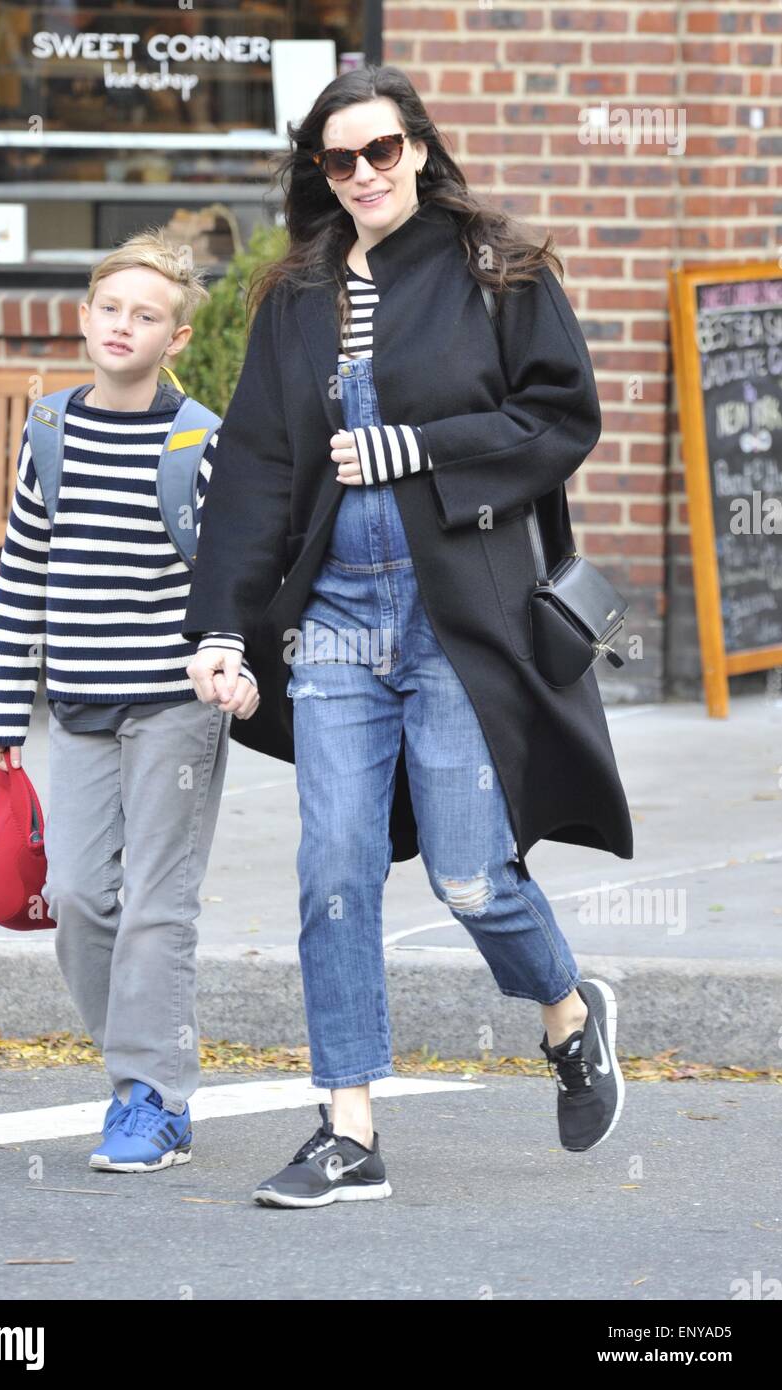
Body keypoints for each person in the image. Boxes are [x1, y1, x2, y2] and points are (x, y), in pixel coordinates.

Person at [184, 64, 634, 1209]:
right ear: (319, 173)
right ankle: (347, 1128)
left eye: (382, 151)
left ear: (419, 148)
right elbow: (253, 470)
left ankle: (569, 1013)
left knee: (472, 874)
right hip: (335, 621)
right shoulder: (295, 295)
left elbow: (557, 414)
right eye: (340, 161)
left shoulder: (498, 269)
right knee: (331, 869)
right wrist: (225, 630)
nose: (366, 176)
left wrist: (418, 448)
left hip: (455, 620)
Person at [0, 229, 259, 1173]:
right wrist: (2, 708)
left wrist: (231, 658)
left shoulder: (197, 440)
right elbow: (23, 566)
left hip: (173, 706)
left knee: (154, 904)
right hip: (81, 707)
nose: (123, 326)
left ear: (174, 340)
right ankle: (139, 1068)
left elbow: (231, 570)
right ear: (85, 315)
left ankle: (152, 1099)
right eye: (111, 308)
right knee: (76, 896)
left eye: (147, 316)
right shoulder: (51, 429)